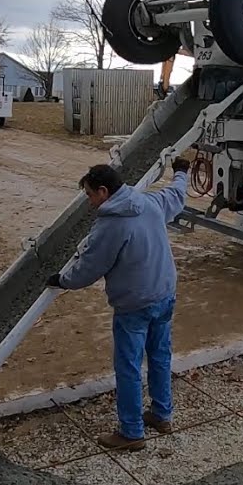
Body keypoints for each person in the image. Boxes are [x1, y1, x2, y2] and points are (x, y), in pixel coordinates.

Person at [47, 158, 190, 451]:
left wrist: (62, 280)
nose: (89, 202)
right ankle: (163, 415)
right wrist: (181, 173)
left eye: (89, 195)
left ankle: (132, 432)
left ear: (103, 191)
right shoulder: (148, 202)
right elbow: (176, 196)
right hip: (164, 295)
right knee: (160, 356)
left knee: (128, 367)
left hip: (135, 305)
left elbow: (88, 268)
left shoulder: (110, 225)